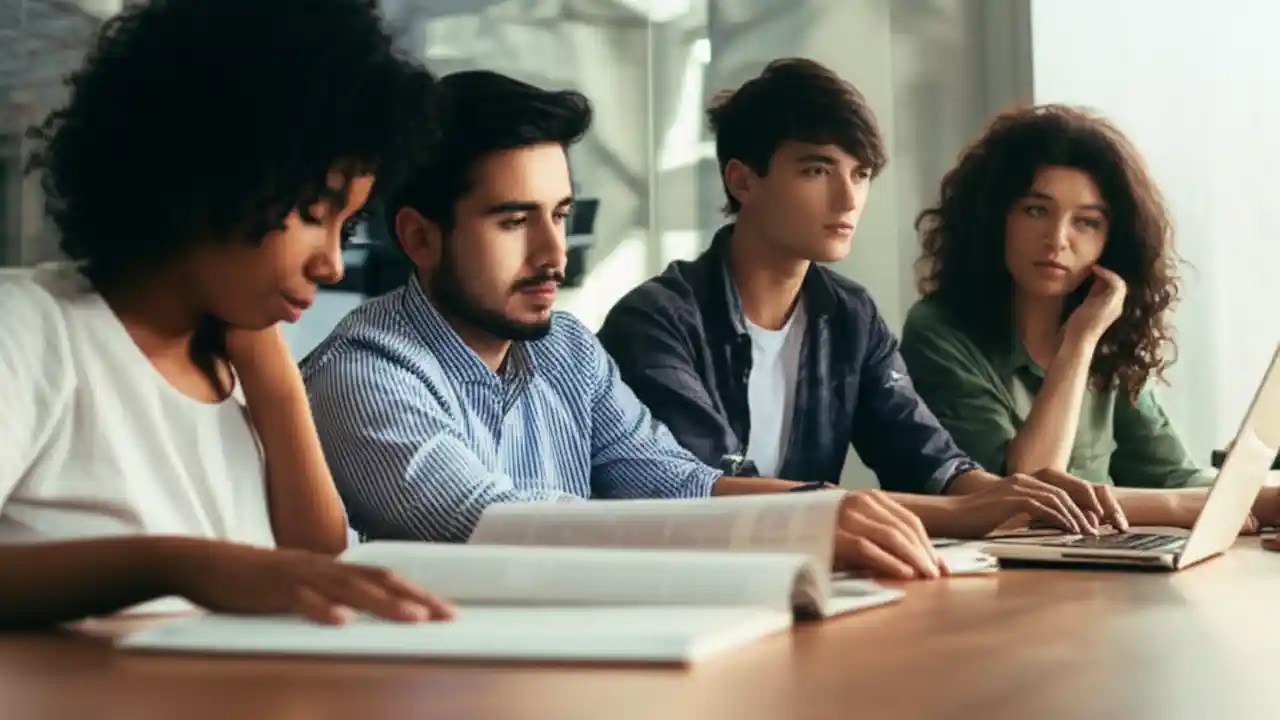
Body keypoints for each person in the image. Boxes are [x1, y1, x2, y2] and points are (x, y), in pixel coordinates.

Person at [302, 70, 945, 581]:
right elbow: (496, 524)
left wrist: (823, 509)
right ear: (420, 237)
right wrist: (793, 524)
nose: (553, 255)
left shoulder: (567, 349)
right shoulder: (364, 372)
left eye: (559, 215)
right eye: (514, 221)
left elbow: (677, 482)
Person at [0, 0, 456, 627]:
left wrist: (276, 385)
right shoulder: (29, 327)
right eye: (315, 214)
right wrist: (179, 566)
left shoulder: (240, 366)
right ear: (218, 174)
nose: (331, 265)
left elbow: (317, 567)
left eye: (345, 229)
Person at [597, 58, 1117, 540]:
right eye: (817, 170)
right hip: (692, 587)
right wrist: (964, 512)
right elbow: (713, 495)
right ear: (742, 180)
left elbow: (924, 458)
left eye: (861, 174)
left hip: (810, 579)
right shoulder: (654, 322)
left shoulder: (848, 315)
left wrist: (1016, 494)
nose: (848, 200)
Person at [900, 104, 1279, 528]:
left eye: (1086, 222)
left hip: (1097, 574)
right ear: (993, 216)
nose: (1057, 239)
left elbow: (1171, 476)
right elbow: (1020, 503)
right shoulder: (938, 331)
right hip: (997, 579)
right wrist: (1077, 344)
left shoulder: (1111, 336)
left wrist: (1262, 499)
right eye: (1035, 211)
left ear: (1111, 242)